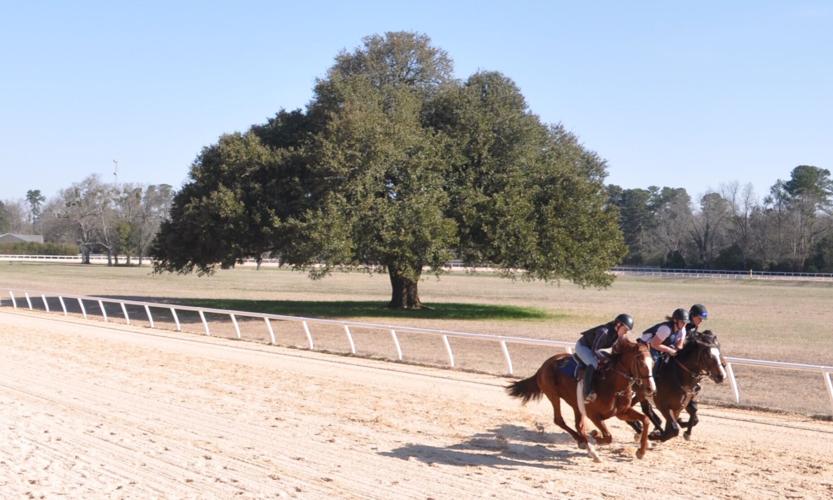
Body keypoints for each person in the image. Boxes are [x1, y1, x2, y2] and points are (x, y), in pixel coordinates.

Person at [574, 313, 634, 403]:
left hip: (594, 348)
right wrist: (604, 359)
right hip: (583, 346)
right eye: (625, 329)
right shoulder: (603, 332)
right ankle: (587, 393)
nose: (626, 332)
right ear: (618, 325)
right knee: (593, 363)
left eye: (627, 330)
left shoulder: (618, 334)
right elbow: (594, 350)